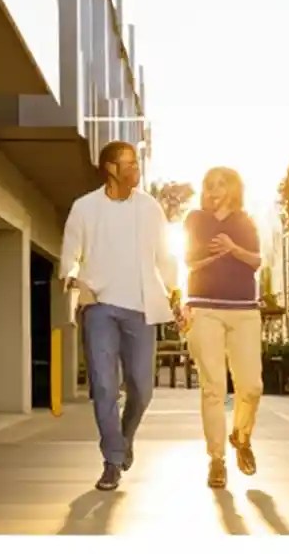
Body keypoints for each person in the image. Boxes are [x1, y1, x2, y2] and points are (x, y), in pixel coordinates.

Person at [60, 140, 179, 492]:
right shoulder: (84, 208)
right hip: (100, 307)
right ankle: (112, 460)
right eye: (128, 164)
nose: (135, 170)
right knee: (104, 385)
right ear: (110, 168)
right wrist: (74, 280)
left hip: (142, 308)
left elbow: (165, 256)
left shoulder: (150, 208)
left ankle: (124, 440)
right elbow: (69, 257)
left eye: (136, 163)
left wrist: (174, 293)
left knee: (142, 389)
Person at [179, 166, 263, 488]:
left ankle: (241, 436)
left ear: (233, 189)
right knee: (213, 387)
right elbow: (190, 260)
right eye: (208, 185)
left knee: (251, 385)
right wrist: (216, 258)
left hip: (244, 311)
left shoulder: (245, 221)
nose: (213, 191)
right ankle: (217, 460)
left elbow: (256, 261)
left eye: (220, 185)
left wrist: (232, 249)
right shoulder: (195, 220)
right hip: (204, 308)